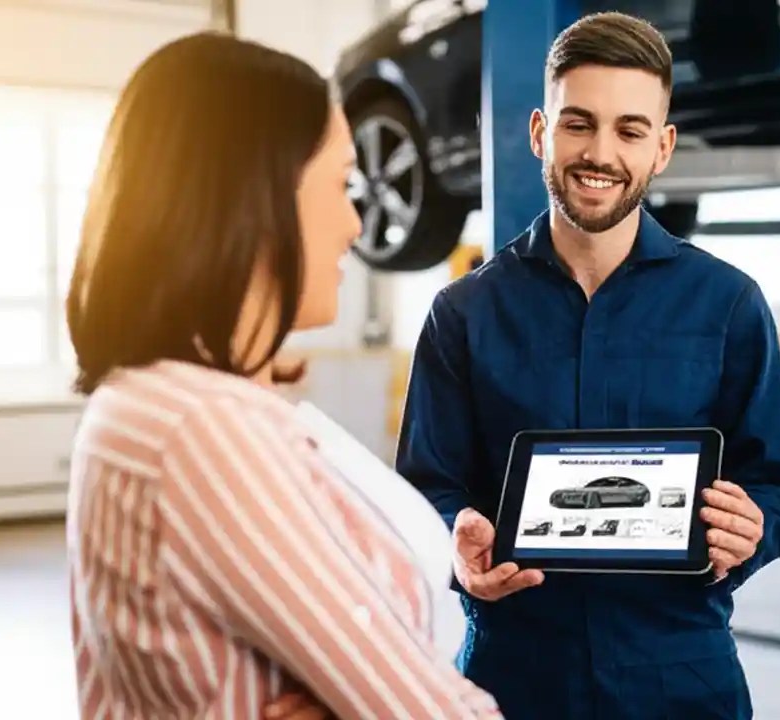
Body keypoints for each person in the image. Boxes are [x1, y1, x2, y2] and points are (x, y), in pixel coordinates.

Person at [65, 32, 499, 719]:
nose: (356, 223)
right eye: (338, 184)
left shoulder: (146, 396)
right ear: (255, 200)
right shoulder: (206, 429)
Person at [396, 12, 780, 720]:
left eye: (630, 129)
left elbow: (776, 484)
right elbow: (426, 488)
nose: (600, 153)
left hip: (679, 672)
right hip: (515, 674)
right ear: (540, 132)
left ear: (662, 148)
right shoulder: (463, 313)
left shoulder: (728, 304)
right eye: (578, 123)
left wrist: (755, 529)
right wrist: (456, 543)